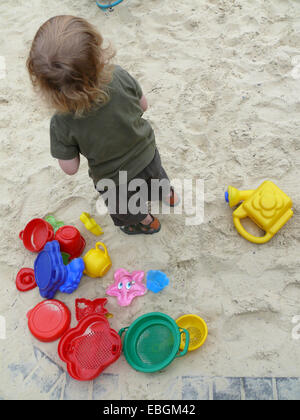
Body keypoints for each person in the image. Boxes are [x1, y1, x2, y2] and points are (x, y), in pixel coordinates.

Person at [27, 15, 178, 235]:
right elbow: (143, 105)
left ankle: (146, 222)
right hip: (146, 153)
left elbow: (70, 169)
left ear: (47, 87)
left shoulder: (61, 122)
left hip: (114, 179)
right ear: (96, 53)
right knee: (156, 177)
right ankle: (168, 196)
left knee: (127, 206)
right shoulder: (118, 75)